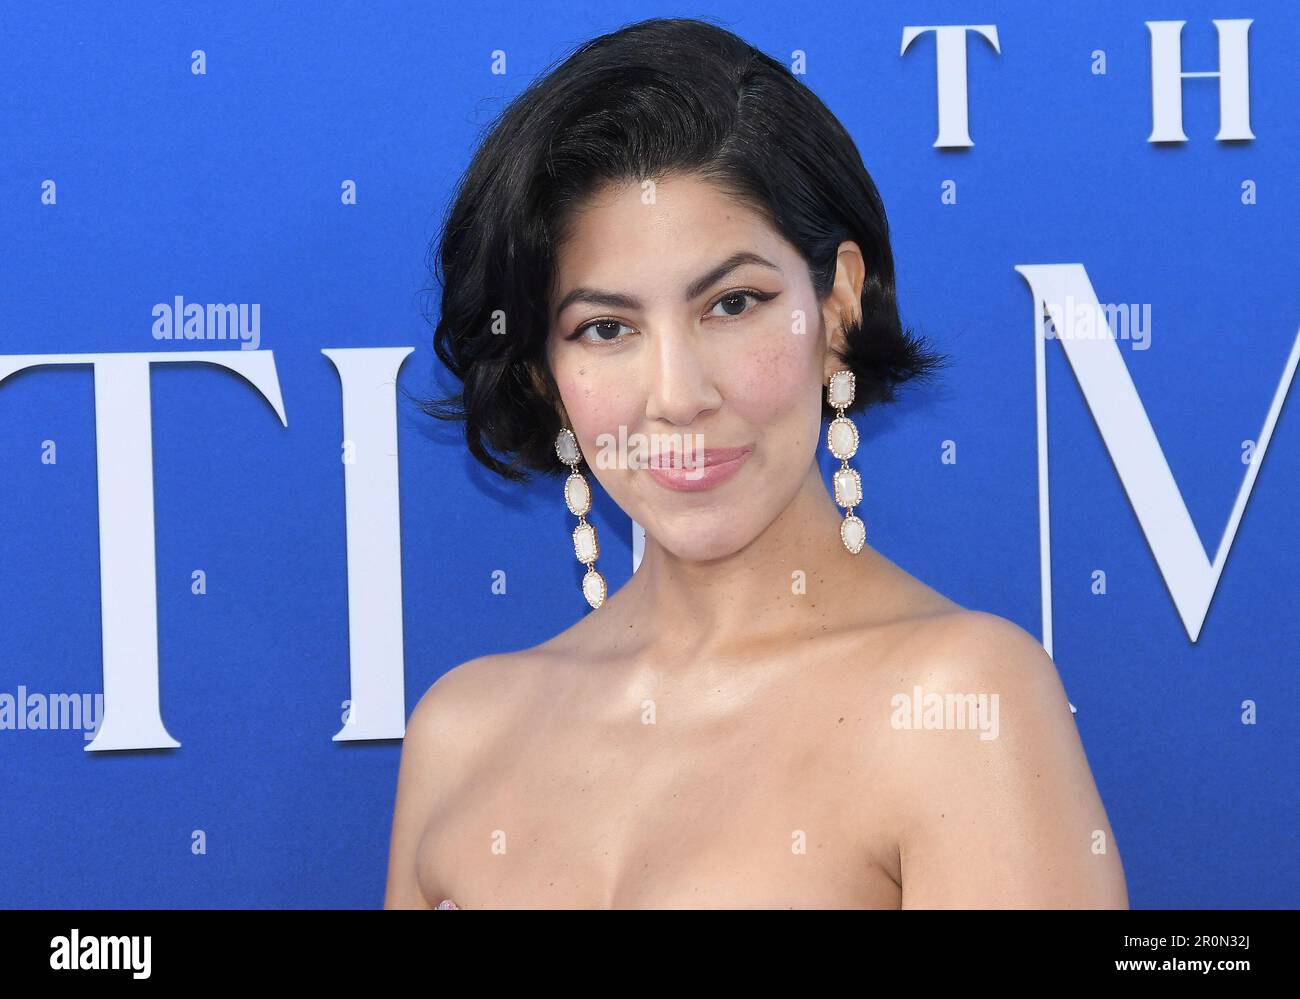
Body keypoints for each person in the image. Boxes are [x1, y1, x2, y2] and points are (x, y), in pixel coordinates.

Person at [384, 16, 1129, 909]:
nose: (677, 394)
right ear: (547, 376)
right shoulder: (461, 732)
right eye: (606, 328)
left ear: (839, 306)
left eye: (733, 304)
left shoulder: (959, 705)